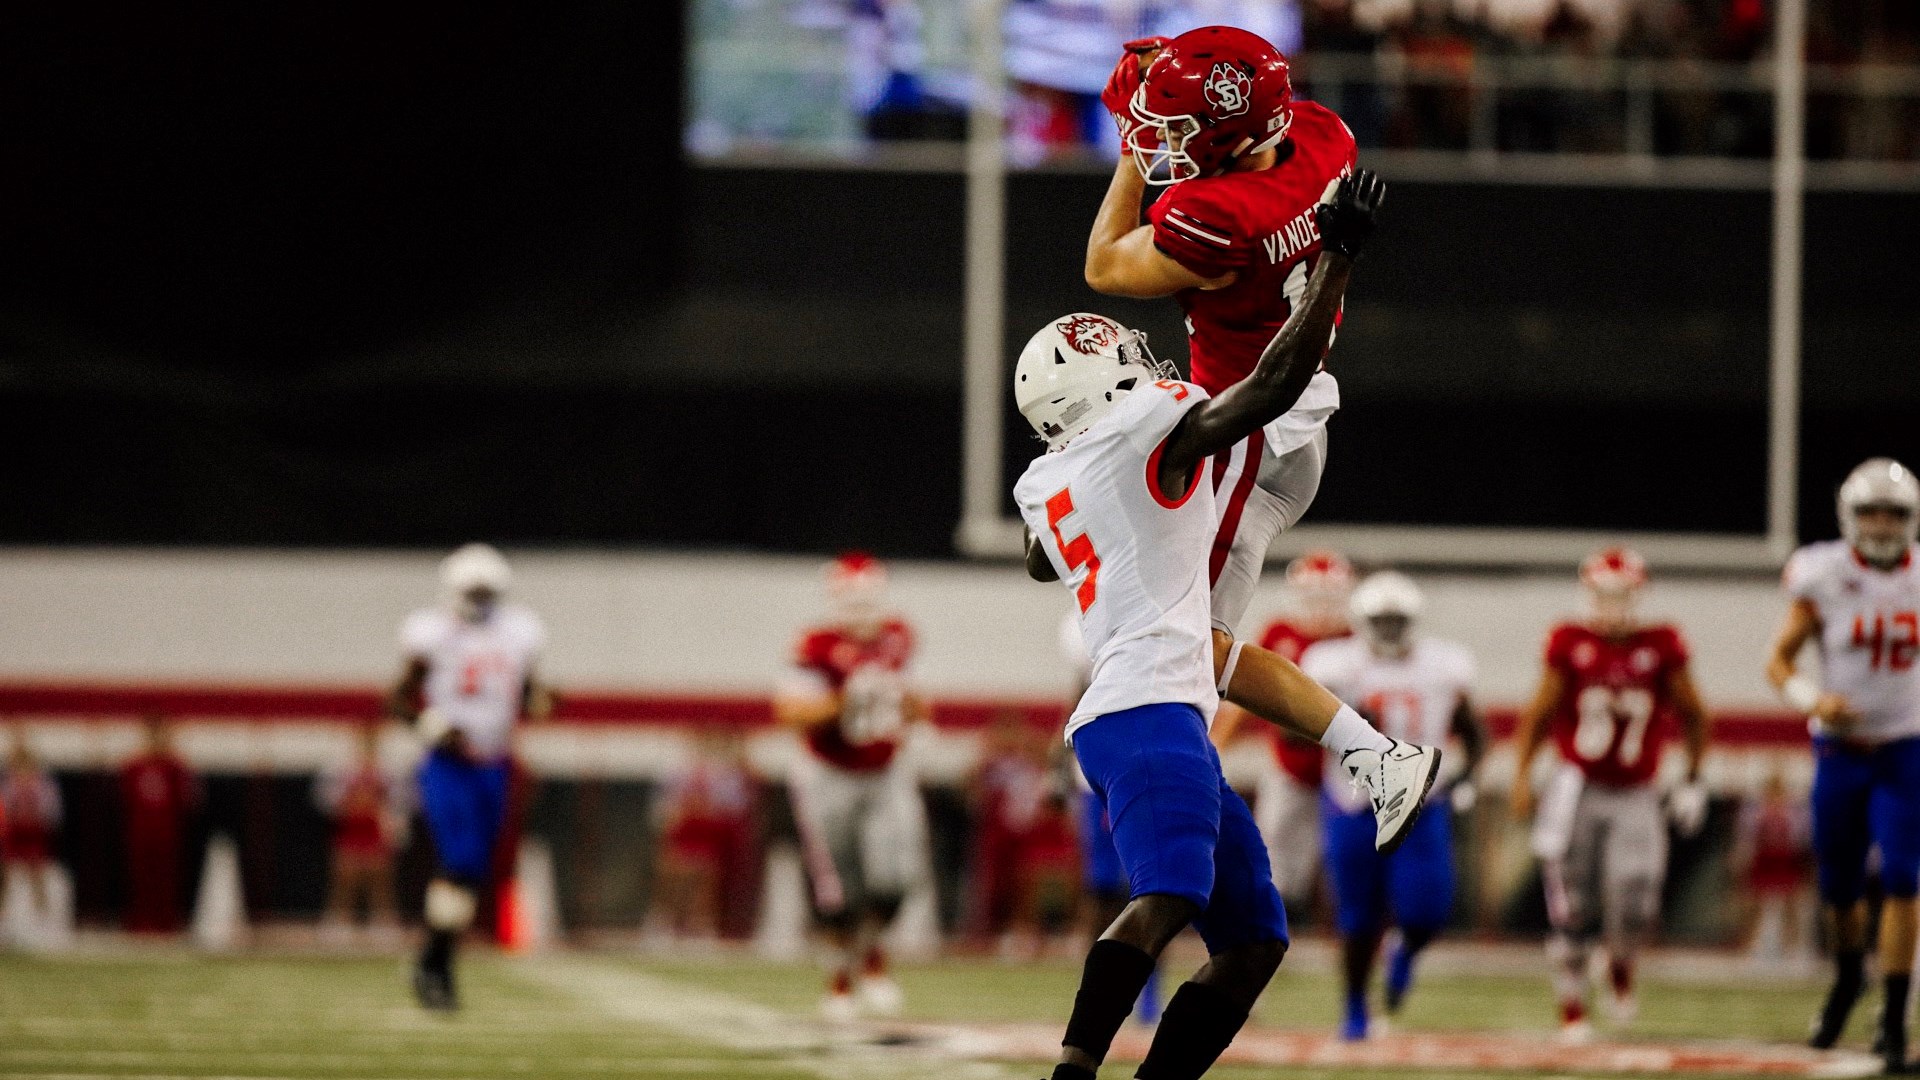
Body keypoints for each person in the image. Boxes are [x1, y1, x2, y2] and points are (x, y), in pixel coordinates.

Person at [1016, 170, 1440, 1080]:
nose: (1146, 355)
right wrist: (1335, 257)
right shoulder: (1140, 431)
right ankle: (1072, 1072)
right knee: (1168, 892)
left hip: (1153, 703)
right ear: (1104, 380)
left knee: (1253, 942)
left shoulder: (1044, 482)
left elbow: (1041, 554)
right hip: (1147, 710)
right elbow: (1271, 386)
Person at [1086, 27, 1358, 665]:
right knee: (1175, 635)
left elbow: (1102, 266)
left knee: (1186, 646)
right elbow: (1247, 99)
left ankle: (1363, 747)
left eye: (1181, 126)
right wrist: (1175, 75)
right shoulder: (1325, 135)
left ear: (1230, 134)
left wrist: (1131, 144)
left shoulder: (1214, 216)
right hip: (1281, 415)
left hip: (1248, 432)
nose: (1166, 138)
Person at [1510, 547, 1711, 1044]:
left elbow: (1695, 714)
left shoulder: (1661, 644)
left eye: (1622, 595)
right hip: (1575, 785)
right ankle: (1572, 1004)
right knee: (1571, 905)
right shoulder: (1569, 640)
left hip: (1637, 789)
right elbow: (1540, 712)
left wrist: (1692, 779)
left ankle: (1620, 961)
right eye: (1604, 595)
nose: (1613, 605)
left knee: (1637, 890)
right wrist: (1521, 775)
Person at [1765, 457, 1920, 1074]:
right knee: (1839, 887)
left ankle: (1893, 1018)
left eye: (1894, 513)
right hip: (1838, 750)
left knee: (1906, 878)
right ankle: (1849, 977)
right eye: (1870, 512)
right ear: (1849, 516)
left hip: (1906, 748)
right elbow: (1778, 662)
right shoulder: (1822, 573)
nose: (1881, 524)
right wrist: (1814, 700)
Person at [1299, 570, 1485, 1040]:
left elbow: (1472, 729)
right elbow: (1291, 727)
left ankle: (1404, 952)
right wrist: (1339, 724)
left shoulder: (1442, 665)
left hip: (1424, 803)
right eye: (1379, 619)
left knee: (1428, 910)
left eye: (1395, 619)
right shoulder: (1333, 664)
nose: (1387, 629)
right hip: (1353, 802)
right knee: (1357, 916)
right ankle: (1355, 1006)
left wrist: (1466, 778)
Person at [386, 543, 550, 1010]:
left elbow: (529, 693)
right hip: (448, 767)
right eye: (473, 590)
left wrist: (542, 701)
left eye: (487, 590)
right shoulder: (431, 632)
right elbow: (398, 700)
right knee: (458, 862)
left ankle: (434, 961)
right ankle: (435, 965)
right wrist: (434, 728)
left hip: (495, 764)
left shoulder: (519, 631)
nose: (480, 599)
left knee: (473, 870)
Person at [773, 551, 929, 1022]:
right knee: (839, 889)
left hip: (884, 771)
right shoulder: (815, 645)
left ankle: (869, 955)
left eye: (870, 599)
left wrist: (903, 704)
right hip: (827, 773)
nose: (863, 610)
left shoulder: (898, 638)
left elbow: (916, 705)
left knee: (897, 879)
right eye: (853, 599)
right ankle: (844, 974)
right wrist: (843, 698)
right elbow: (789, 713)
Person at [1211, 550, 1356, 911]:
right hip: (1287, 764)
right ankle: (1270, 919)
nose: (1321, 607)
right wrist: (1216, 745)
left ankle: (1335, 928)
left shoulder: (1353, 640)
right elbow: (1245, 692)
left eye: (1329, 597)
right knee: (1272, 848)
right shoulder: (1280, 633)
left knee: (1336, 855)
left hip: (1339, 771)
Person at [969, 712, 1079, 958]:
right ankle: (1013, 929)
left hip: (1041, 842)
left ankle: (1072, 929)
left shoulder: (1045, 777)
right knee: (1017, 871)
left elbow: (1062, 816)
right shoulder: (999, 769)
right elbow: (1011, 814)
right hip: (1012, 843)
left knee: (1076, 863)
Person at [649, 730, 756, 944]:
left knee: (706, 873)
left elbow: (737, 807)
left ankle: (703, 922)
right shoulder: (676, 772)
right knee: (674, 869)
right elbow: (661, 809)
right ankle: (668, 919)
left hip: (713, 841)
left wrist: (707, 810)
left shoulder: (726, 774)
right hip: (681, 838)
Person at [313, 723, 407, 945]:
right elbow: (324, 797)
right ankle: (339, 921)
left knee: (380, 879)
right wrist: (347, 804)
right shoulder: (342, 769)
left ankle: (384, 922)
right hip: (351, 829)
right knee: (345, 877)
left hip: (376, 832)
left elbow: (402, 800)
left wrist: (390, 821)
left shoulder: (388, 770)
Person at [119, 716, 198, 935]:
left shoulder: (174, 767)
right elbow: (125, 798)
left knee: (166, 879)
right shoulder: (134, 766)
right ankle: (141, 922)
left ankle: (166, 922)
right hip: (141, 832)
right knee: (141, 879)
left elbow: (188, 798)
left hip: (167, 832)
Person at [2, 735, 65, 946]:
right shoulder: (8, 787)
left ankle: (43, 917)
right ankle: (5, 918)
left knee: (36, 872)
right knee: (6, 873)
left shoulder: (44, 787)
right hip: (14, 836)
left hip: (34, 835)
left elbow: (53, 814)